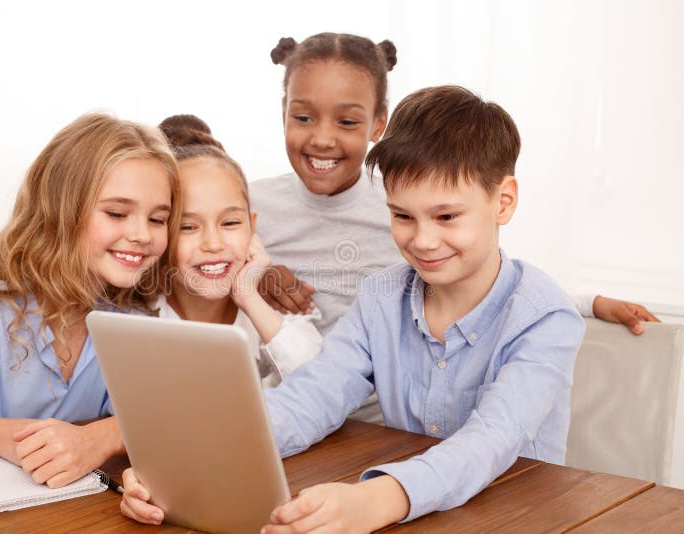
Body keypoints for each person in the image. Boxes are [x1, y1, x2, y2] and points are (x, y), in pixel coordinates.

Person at [120, 85, 586, 531]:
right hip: (415, 516)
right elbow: (313, 394)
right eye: (402, 215)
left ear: (503, 201)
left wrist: (374, 500)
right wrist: (190, 459)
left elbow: (490, 441)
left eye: (446, 216)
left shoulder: (544, 319)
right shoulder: (383, 297)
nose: (422, 240)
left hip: (520, 515)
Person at [252, 32, 659, 338]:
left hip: (379, 420)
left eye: (347, 121)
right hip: (289, 406)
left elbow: (486, 281)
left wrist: (589, 303)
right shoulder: (250, 207)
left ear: (379, 123)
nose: (322, 138)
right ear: (282, 112)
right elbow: (200, 281)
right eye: (303, 117)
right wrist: (256, 278)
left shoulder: (406, 209)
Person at [0, 113, 179, 489]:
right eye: (117, 213)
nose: (141, 234)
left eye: (157, 220)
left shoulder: (129, 322)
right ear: (61, 211)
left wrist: (101, 438)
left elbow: (164, 417)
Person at [157, 117, 322, 387]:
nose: (213, 243)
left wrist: (248, 297)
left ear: (252, 228)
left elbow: (324, 383)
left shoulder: (274, 306)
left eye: (231, 223)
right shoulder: (137, 313)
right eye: (188, 227)